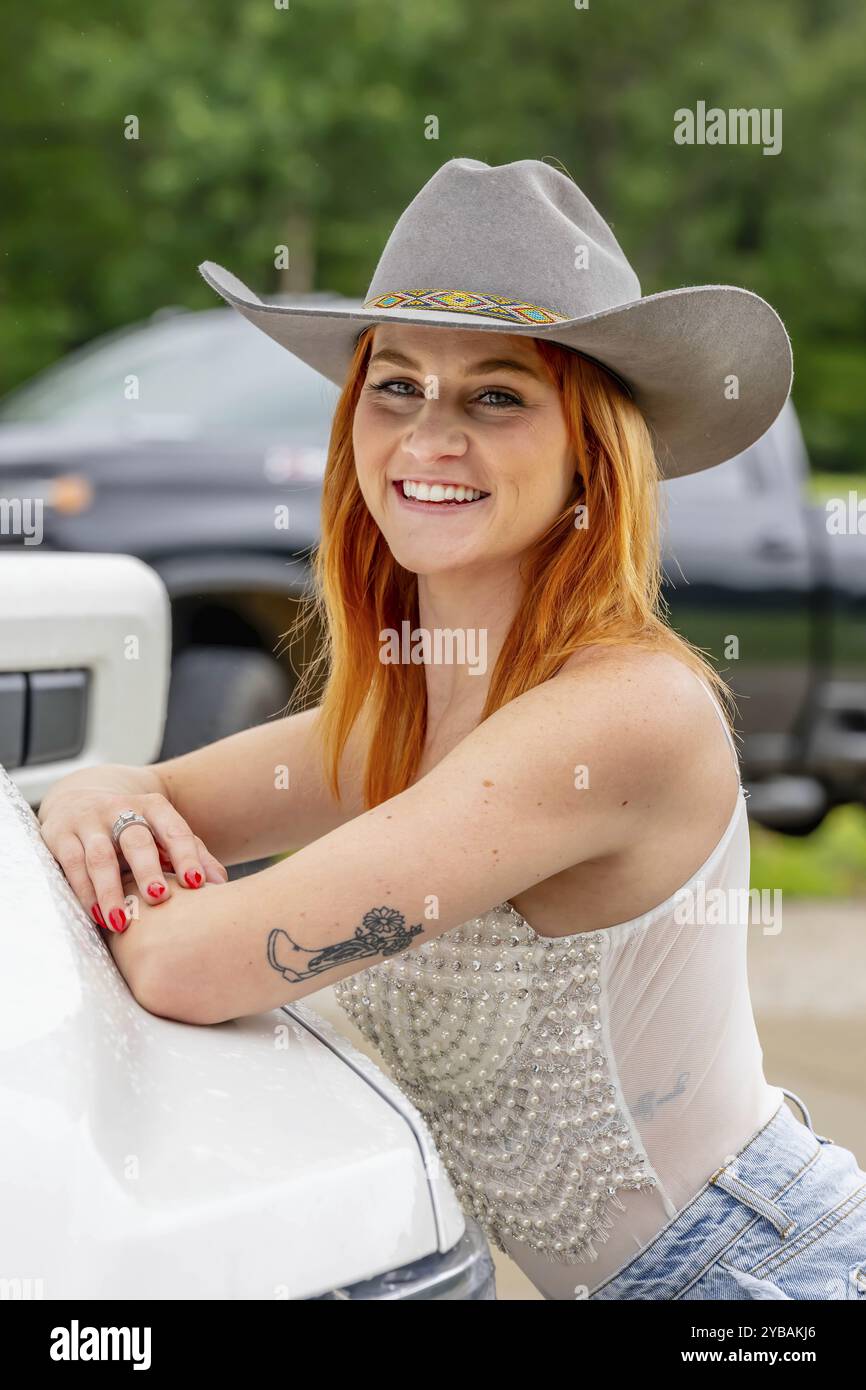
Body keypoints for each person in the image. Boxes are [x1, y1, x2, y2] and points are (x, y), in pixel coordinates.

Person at [37, 158, 866, 1300]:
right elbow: (136, 793)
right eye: (395, 385)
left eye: (494, 394)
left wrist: (115, 866)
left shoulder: (619, 712)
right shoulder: (411, 707)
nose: (429, 436)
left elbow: (187, 967)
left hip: (757, 1277)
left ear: (588, 444)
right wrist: (91, 797)